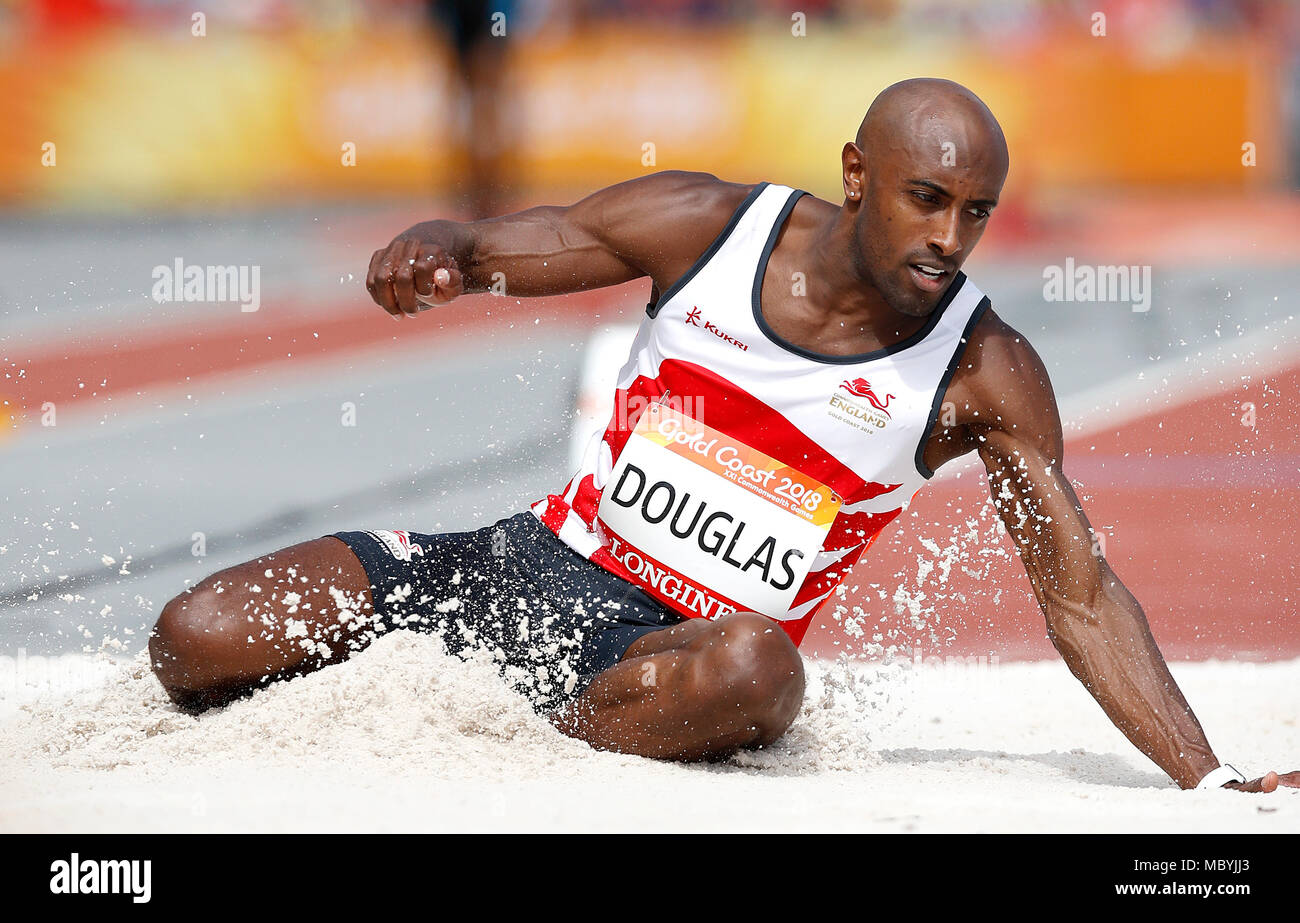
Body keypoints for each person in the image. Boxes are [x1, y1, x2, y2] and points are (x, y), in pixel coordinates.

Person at [150, 78, 1296, 791]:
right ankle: (452, 673)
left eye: (976, 211)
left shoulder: (983, 372)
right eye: (925, 198)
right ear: (858, 176)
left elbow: (1081, 591)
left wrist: (1203, 776)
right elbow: (517, 240)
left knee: (761, 667)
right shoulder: (711, 227)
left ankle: (536, 729)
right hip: (515, 567)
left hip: (659, 664)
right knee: (192, 636)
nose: (951, 235)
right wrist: (441, 247)